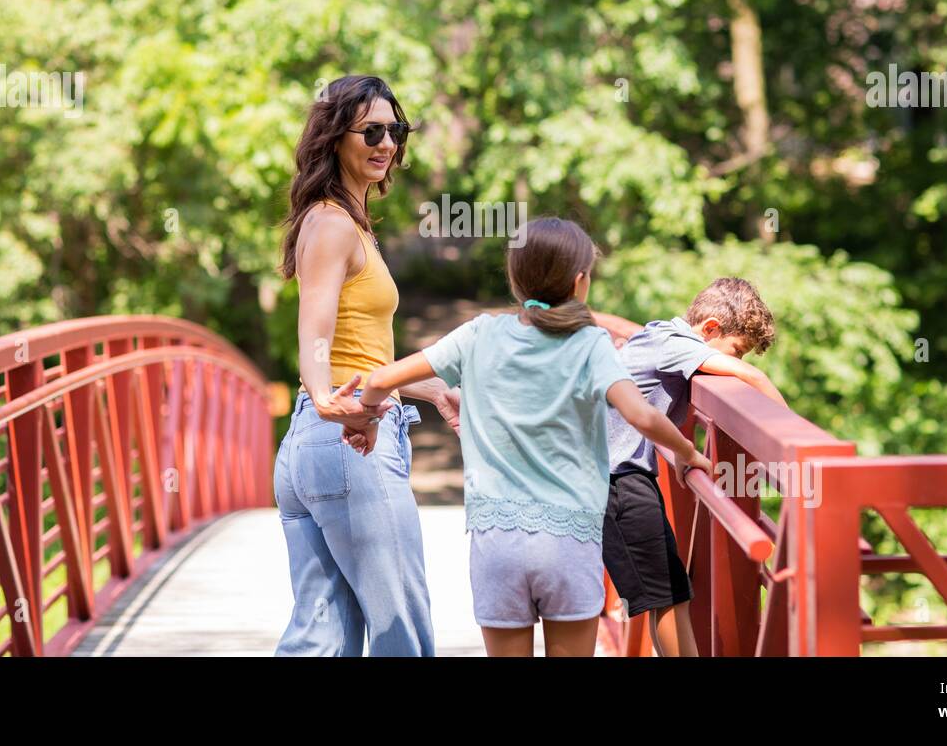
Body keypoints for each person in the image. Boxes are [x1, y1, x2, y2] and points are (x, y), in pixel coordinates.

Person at [347, 217, 711, 656]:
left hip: (497, 542)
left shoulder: (478, 334)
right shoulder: (591, 345)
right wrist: (688, 452)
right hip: (568, 541)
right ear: (580, 283)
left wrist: (366, 420)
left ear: (516, 279)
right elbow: (642, 417)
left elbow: (382, 378)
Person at [273, 74, 459, 657]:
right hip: (350, 441)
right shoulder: (330, 223)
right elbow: (316, 332)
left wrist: (429, 388)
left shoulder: (346, 223)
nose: (387, 144)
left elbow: (362, 344)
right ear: (334, 139)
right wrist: (329, 399)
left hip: (321, 443)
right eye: (372, 131)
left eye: (395, 131)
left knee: (322, 638)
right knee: (403, 630)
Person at [591, 278, 788, 656]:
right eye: (737, 351)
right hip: (616, 481)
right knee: (663, 594)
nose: (737, 363)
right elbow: (753, 377)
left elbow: (654, 402)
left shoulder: (659, 336)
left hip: (616, 476)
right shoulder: (674, 344)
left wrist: (679, 450)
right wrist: (790, 442)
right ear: (711, 328)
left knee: (670, 591)